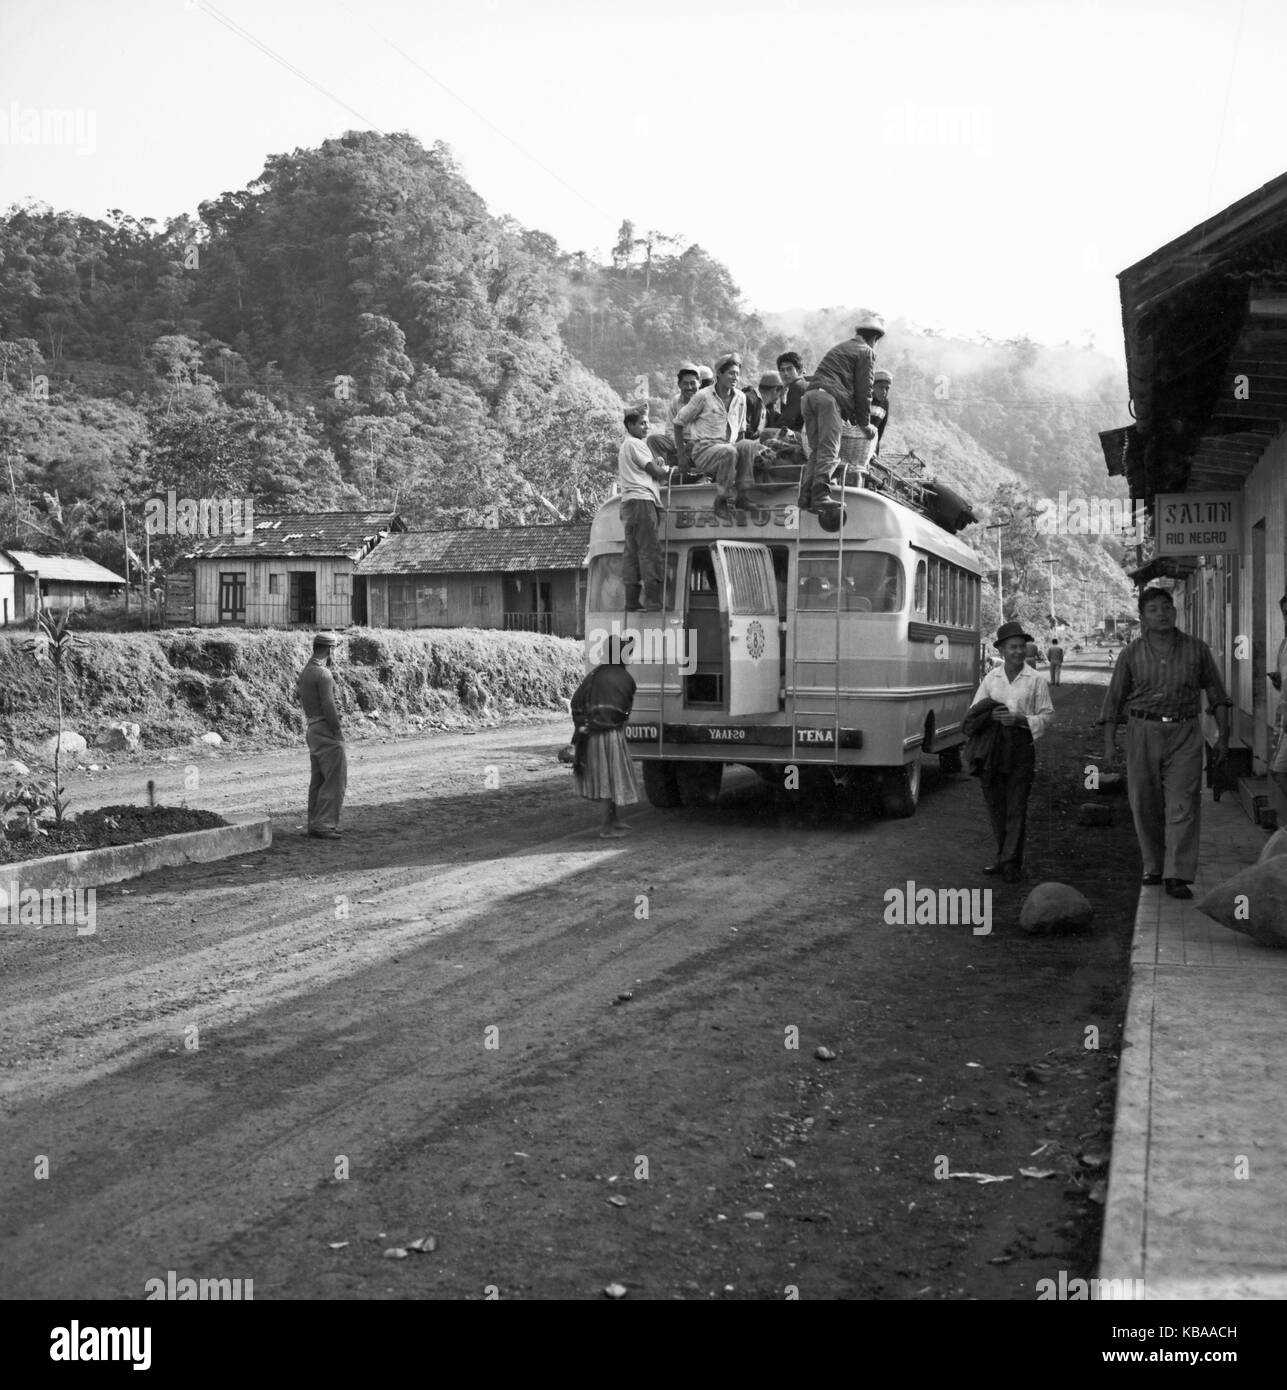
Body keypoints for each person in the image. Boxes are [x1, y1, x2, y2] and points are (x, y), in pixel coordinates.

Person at [1099, 586, 1231, 899]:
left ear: (1174, 611)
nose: (1162, 613)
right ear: (1143, 617)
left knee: (1183, 803)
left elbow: (1216, 694)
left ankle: (1178, 874)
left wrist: (1223, 736)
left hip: (1185, 732)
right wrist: (1108, 745)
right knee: (1144, 803)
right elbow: (1113, 701)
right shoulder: (1130, 653)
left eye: (1166, 607)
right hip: (1142, 731)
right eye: (1154, 609)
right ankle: (1154, 866)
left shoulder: (1197, 649)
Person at [964, 621, 1055, 883]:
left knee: (1016, 806)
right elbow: (974, 710)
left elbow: (1047, 715)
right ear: (1002, 650)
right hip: (992, 749)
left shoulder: (1035, 680)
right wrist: (991, 714)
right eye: (1012, 647)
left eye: (1021, 647)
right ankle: (1003, 856)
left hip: (1020, 748)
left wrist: (1022, 720)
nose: (1018, 652)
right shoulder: (991, 679)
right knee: (996, 806)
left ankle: (1011, 863)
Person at [799, 310, 884, 512]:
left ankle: (806, 498)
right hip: (828, 400)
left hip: (809, 397)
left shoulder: (843, 347)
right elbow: (864, 391)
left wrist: (852, 415)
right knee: (830, 450)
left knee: (817, 451)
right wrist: (864, 424)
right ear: (875, 338)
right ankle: (821, 496)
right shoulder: (866, 351)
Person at [672, 351, 761, 519]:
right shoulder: (703, 396)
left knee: (748, 444)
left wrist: (742, 457)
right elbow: (678, 423)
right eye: (731, 373)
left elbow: (741, 431)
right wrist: (681, 456)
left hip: (729, 448)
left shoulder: (741, 397)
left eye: (737, 374)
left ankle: (742, 495)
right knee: (729, 451)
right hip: (704, 450)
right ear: (719, 374)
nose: (735, 377)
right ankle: (721, 499)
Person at [570, 635, 639, 838]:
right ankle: (607, 828)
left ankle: (613, 820)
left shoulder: (595, 674)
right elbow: (623, 711)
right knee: (610, 779)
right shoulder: (625, 679)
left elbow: (576, 701)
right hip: (609, 735)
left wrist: (584, 725)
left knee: (608, 779)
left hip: (592, 734)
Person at [618, 403, 675, 612]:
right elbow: (657, 473)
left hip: (628, 503)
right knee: (650, 551)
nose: (646, 428)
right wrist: (667, 469)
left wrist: (656, 463)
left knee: (631, 553)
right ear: (630, 425)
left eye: (647, 423)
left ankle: (631, 601)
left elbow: (647, 469)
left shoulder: (626, 446)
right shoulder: (636, 444)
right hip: (643, 501)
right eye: (642, 423)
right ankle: (653, 601)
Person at [296, 631, 347, 840]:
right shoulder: (323, 674)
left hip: (311, 727)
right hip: (325, 728)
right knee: (335, 778)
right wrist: (337, 731)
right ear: (329, 649)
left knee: (318, 779)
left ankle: (314, 822)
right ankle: (324, 824)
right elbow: (328, 704)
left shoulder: (306, 672)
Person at [647, 362, 701, 473]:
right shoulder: (676, 401)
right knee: (654, 440)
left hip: (699, 442)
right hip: (679, 440)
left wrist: (691, 443)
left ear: (699, 383)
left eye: (692, 383)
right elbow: (670, 429)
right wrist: (680, 445)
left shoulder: (706, 401)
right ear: (679, 385)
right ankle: (662, 472)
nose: (689, 387)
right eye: (685, 384)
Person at [1270, 593, 1287, 802]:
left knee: (1280, 771)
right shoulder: (1284, 646)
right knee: (1279, 772)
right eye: (1285, 614)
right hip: (1283, 720)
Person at [744, 370, 783, 438]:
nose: (780, 397)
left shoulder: (769, 407)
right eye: (781, 394)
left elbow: (784, 421)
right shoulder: (749, 400)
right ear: (776, 389)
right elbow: (744, 429)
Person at [776, 352, 807, 435]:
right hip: (805, 433)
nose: (785, 373)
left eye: (789, 369)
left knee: (765, 433)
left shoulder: (798, 386)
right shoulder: (801, 384)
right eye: (782, 370)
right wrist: (783, 399)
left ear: (798, 370)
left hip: (804, 436)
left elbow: (787, 422)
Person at [871, 369, 893, 456]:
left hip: (872, 446)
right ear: (873, 386)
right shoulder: (864, 399)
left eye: (887, 388)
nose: (884, 391)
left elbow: (880, 429)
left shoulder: (885, 404)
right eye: (881, 387)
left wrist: (874, 448)